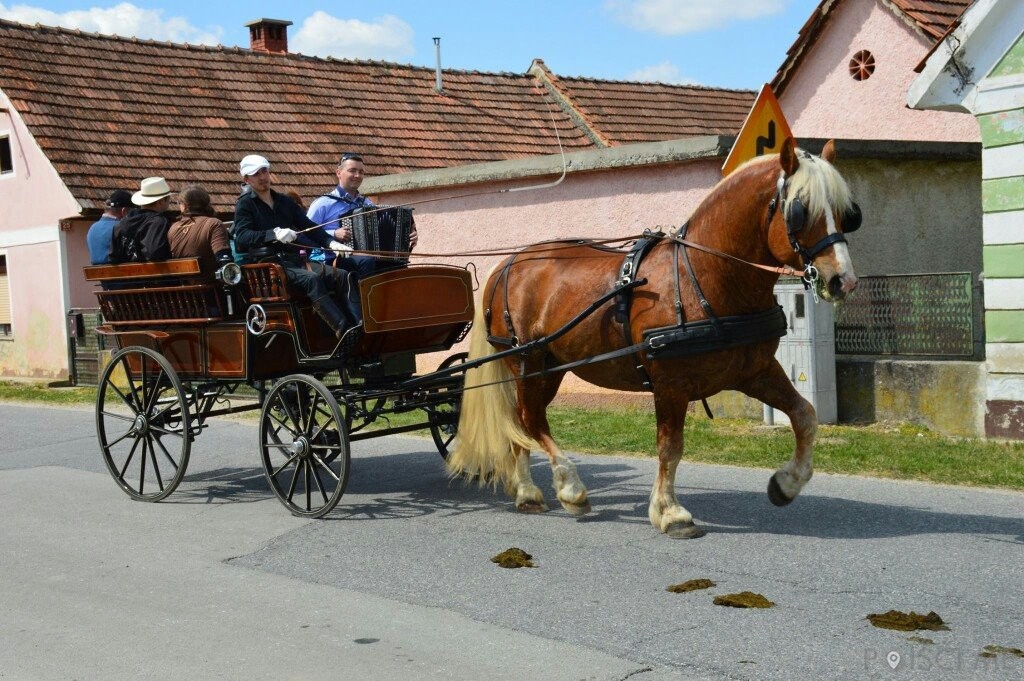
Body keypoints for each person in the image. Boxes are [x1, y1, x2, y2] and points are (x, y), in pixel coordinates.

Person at [231, 154, 363, 350]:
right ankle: (342, 331)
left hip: (294, 262)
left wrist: (331, 242)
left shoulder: (284, 201)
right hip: (268, 268)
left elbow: (309, 226)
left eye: (264, 171)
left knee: (343, 275)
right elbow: (242, 236)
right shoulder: (245, 204)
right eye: (256, 174)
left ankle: (358, 326)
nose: (262, 177)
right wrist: (272, 234)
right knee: (310, 279)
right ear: (246, 180)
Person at [306, 152, 417, 279]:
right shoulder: (323, 204)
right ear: (338, 173)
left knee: (395, 264)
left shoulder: (367, 203)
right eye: (352, 171)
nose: (357, 175)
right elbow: (306, 233)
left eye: (361, 172)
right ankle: (364, 299)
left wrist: (408, 237)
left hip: (367, 258)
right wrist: (333, 234)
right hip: (332, 259)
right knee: (366, 261)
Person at [168, 185, 232, 275]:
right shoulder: (214, 224)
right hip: (211, 285)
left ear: (184, 206)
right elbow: (224, 258)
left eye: (179, 203)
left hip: (184, 286)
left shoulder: (173, 228)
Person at [109, 177, 173, 263]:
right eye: (168, 198)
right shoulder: (159, 222)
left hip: (126, 275)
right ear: (161, 201)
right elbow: (156, 255)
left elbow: (113, 258)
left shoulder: (119, 225)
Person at [87, 189, 132, 264]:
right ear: (124, 211)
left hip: (97, 274)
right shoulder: (121, 228)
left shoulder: (92, 228)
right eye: (131, 212)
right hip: (120, 273)